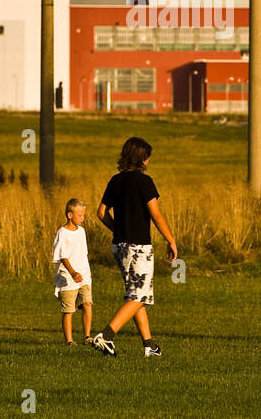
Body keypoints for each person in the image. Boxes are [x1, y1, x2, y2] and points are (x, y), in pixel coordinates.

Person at [90, 137, 178, 358]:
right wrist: (171, 240)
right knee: (138, 296)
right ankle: (106, 336)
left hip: (119, 246)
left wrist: (118, 229)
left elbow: (101, 213)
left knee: (137, 295)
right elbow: (155, 214)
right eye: (147, 157)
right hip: (139, 248)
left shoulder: (115, 181)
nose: (148, 161)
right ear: (142, 159)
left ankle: (149, 345)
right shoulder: (144, 182)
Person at [52, 198, 93, 345]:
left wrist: (83, 273)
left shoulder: (81, 232)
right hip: (68, 277)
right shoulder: (62, 233)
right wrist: (73, 272)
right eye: (80, 215)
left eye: (83, 215)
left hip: (84, 275)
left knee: (87, 303)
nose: (82, 218)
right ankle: (69, 340)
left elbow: (83, 253)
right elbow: (63, 256)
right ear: (70, 215)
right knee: (69, 310)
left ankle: (87, 336)